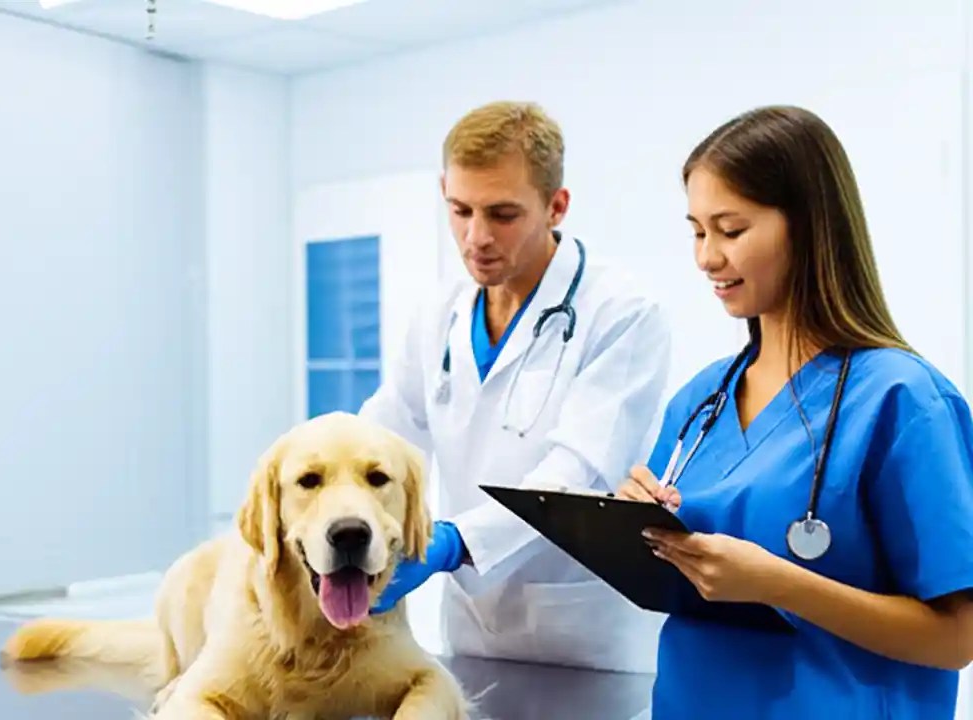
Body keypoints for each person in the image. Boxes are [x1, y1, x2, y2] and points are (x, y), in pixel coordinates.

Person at [616, 104, 973, 718]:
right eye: (697, 231)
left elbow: (957, 636)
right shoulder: (701, 402)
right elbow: (673, 580)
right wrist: (632, 528)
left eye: (730, 230)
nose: (706, 257)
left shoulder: (902, 399)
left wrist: (781, 584)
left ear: (808, 227)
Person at [357, 100, 673, 673]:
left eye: (503, 214)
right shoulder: (439, 314)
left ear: (556, 206)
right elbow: (381, 433)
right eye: (460, 210)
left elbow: (575, 476)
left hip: (581, 635)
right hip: (471, 626)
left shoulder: (622, 312)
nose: (475, 237)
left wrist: (451, 542)